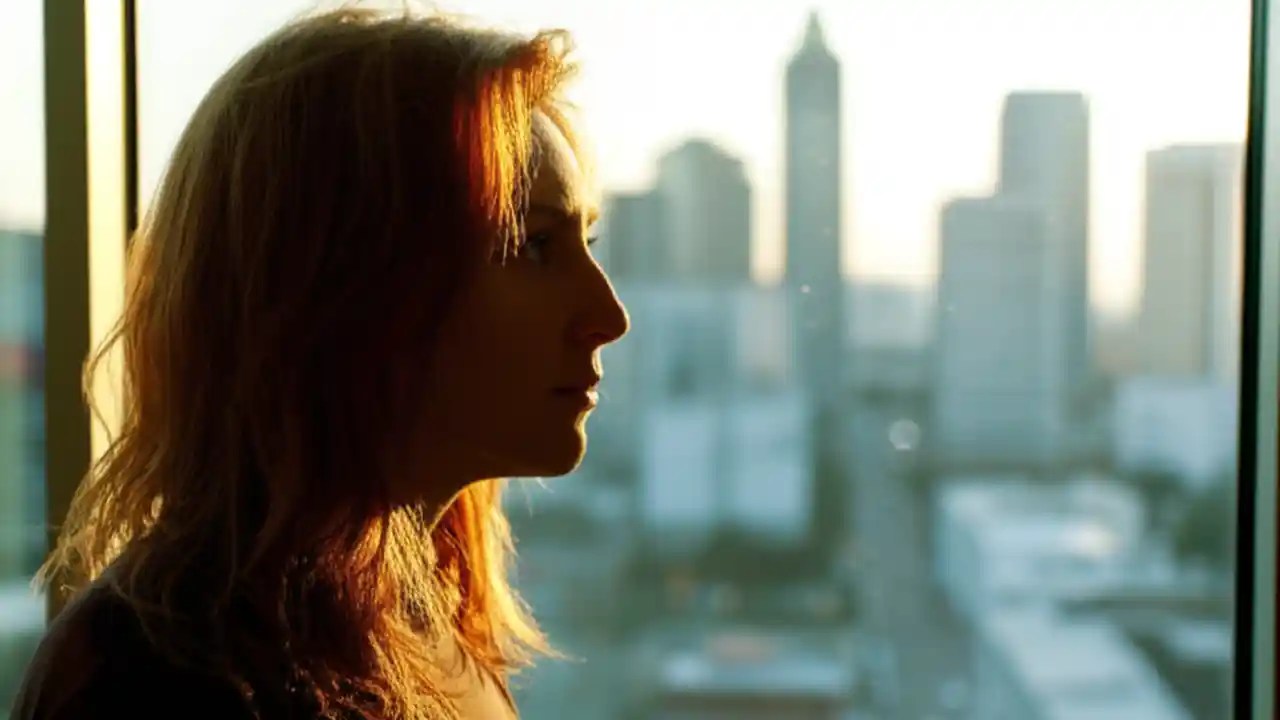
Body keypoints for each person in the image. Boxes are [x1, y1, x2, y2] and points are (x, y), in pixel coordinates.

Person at [13, 6, 628, 719]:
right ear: (347, 279)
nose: (607, 318)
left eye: (586, 240)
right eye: (535, 245)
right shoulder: (158, 679)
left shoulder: (417, 627)